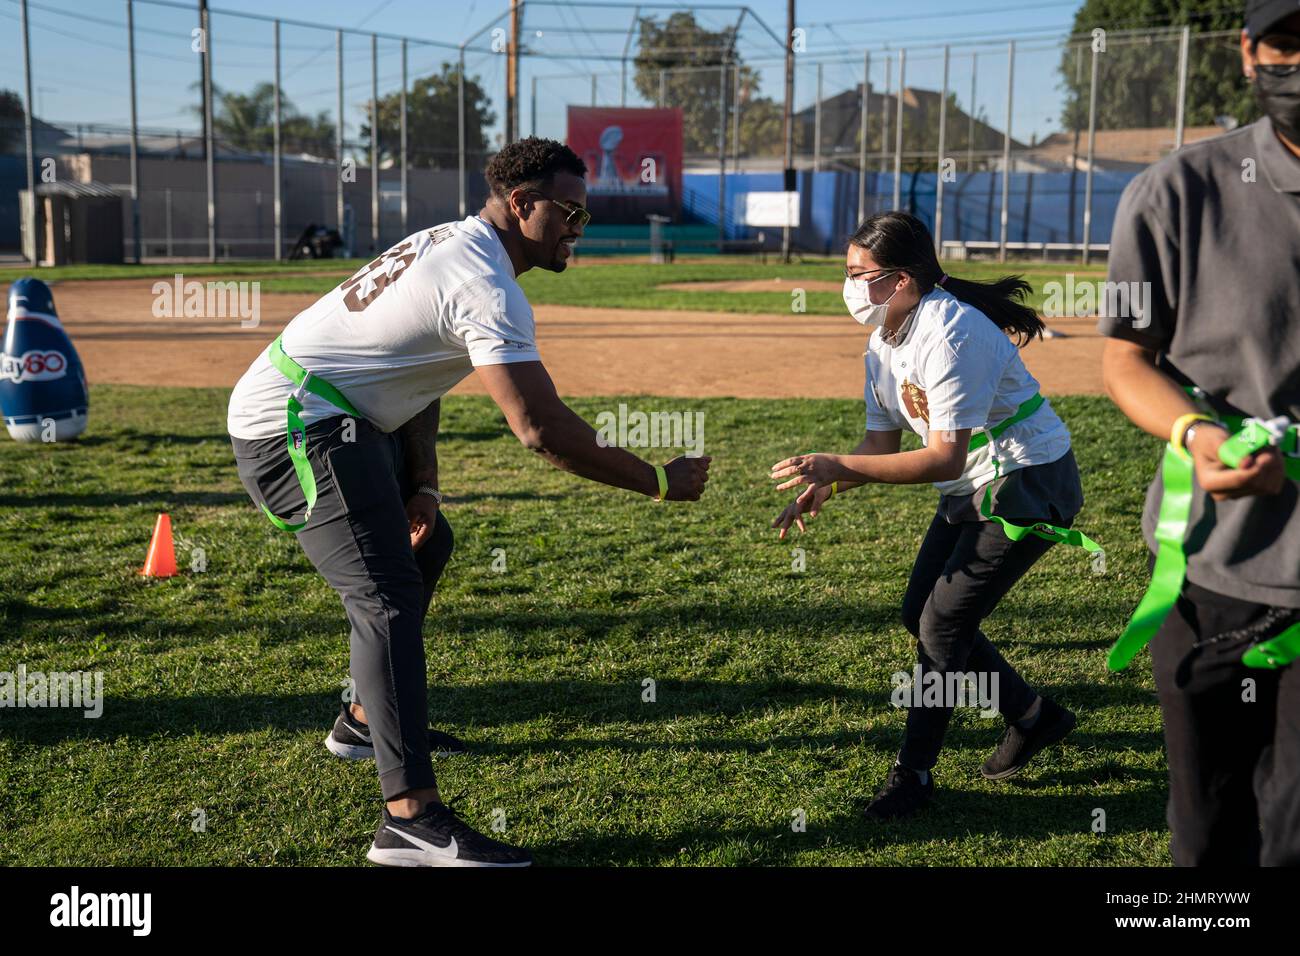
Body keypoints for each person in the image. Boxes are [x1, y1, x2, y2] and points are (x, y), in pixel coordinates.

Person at [227, 137, 711, 867]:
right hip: (295, 423)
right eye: (570, 213)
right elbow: (539, 428)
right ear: (521, 203)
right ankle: (408, 820)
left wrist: (422, 483)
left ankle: (363, 722)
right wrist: (658, 481)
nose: (578, 229)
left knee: (429, 545)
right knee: (384, 599)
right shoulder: (484, 281)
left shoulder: (457, 244)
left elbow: (419, 371)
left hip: (342, 416)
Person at [770, 211, 1097, 820]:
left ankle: (913, 775)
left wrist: (836, 465)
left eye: (858, 274)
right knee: (919, 614)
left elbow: (943, 457)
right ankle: (1033, 716)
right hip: (973, 483)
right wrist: (828, 484)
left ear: (899, 279)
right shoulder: (883, 341)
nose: (848, 286)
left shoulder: (952, 331)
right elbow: (881, 446)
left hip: (1026, 480)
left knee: (941, 626)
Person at [1099, 0, 1300, 866]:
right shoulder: (1174, 192)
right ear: (1248, 52)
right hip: (1212, 574)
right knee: (1209, 835)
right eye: (1287, 44)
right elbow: (1124, 360)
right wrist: (1196, 435)